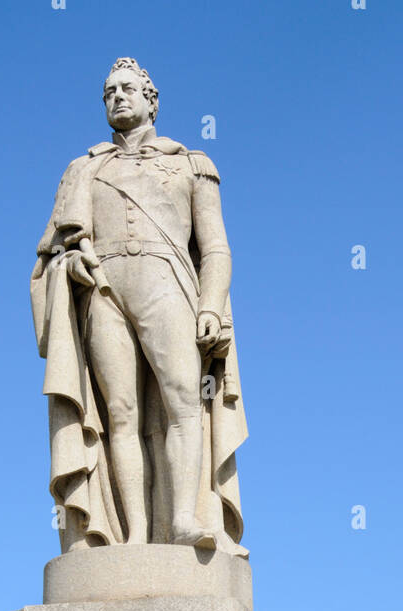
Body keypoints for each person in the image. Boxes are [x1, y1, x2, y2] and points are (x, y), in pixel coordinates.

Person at [32, 56, 248, 553]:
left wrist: (211, 305)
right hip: (102, 289)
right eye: (109, 91)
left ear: (151, 99)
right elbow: (52, 251)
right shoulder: (83, 169)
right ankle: (131, 536)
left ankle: (182, 519)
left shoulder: (191, 163)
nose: (118, 97)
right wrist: (70, 265)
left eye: (128, 88)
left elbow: (214, 249)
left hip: (167, 282)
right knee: (119, 416)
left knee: (183, 405)